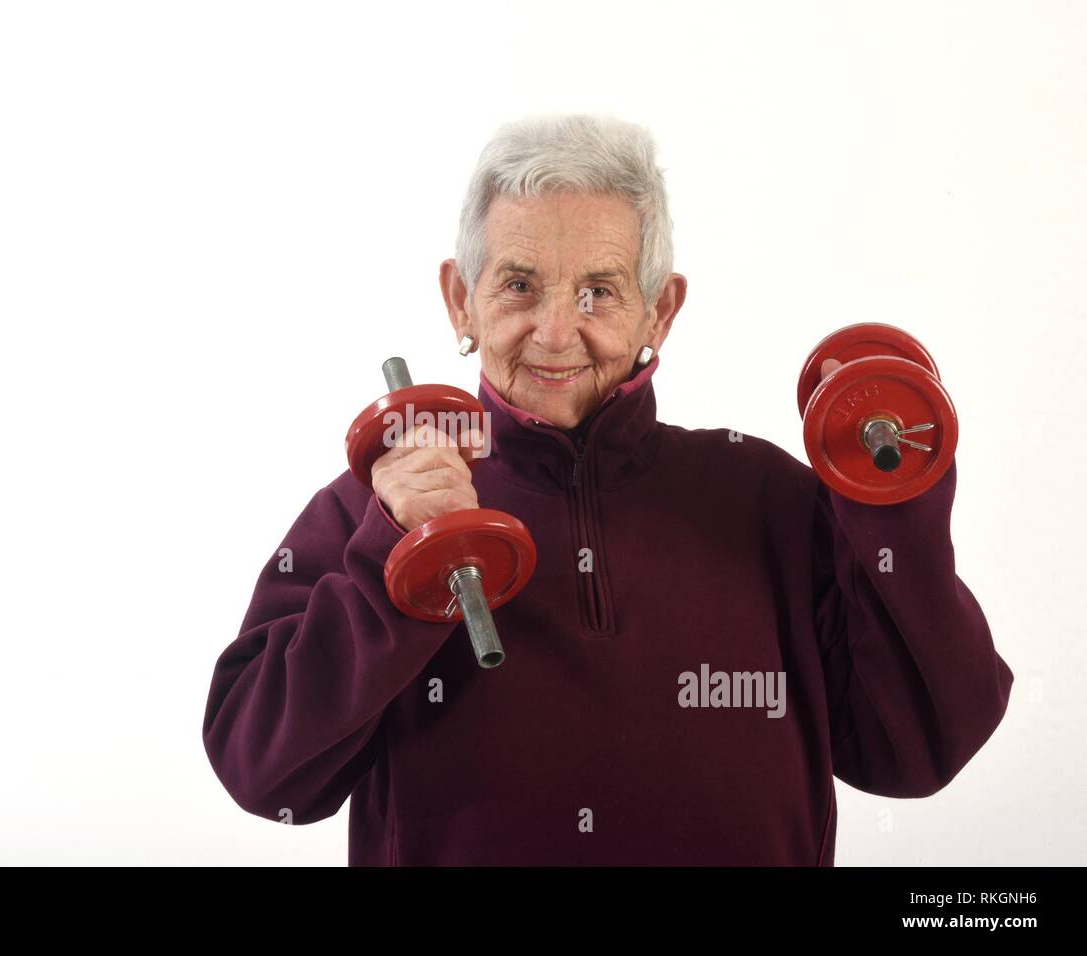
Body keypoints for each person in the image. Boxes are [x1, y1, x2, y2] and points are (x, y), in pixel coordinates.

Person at [201, 113, 1013, 865]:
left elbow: (921, 748)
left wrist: (889, 507)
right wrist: (390, 569)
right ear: (461, 301)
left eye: (598, 290)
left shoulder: (768, 499)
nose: (557, 333)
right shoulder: (378, 506)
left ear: (659, 311)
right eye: (519, 285)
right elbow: (261, 772)